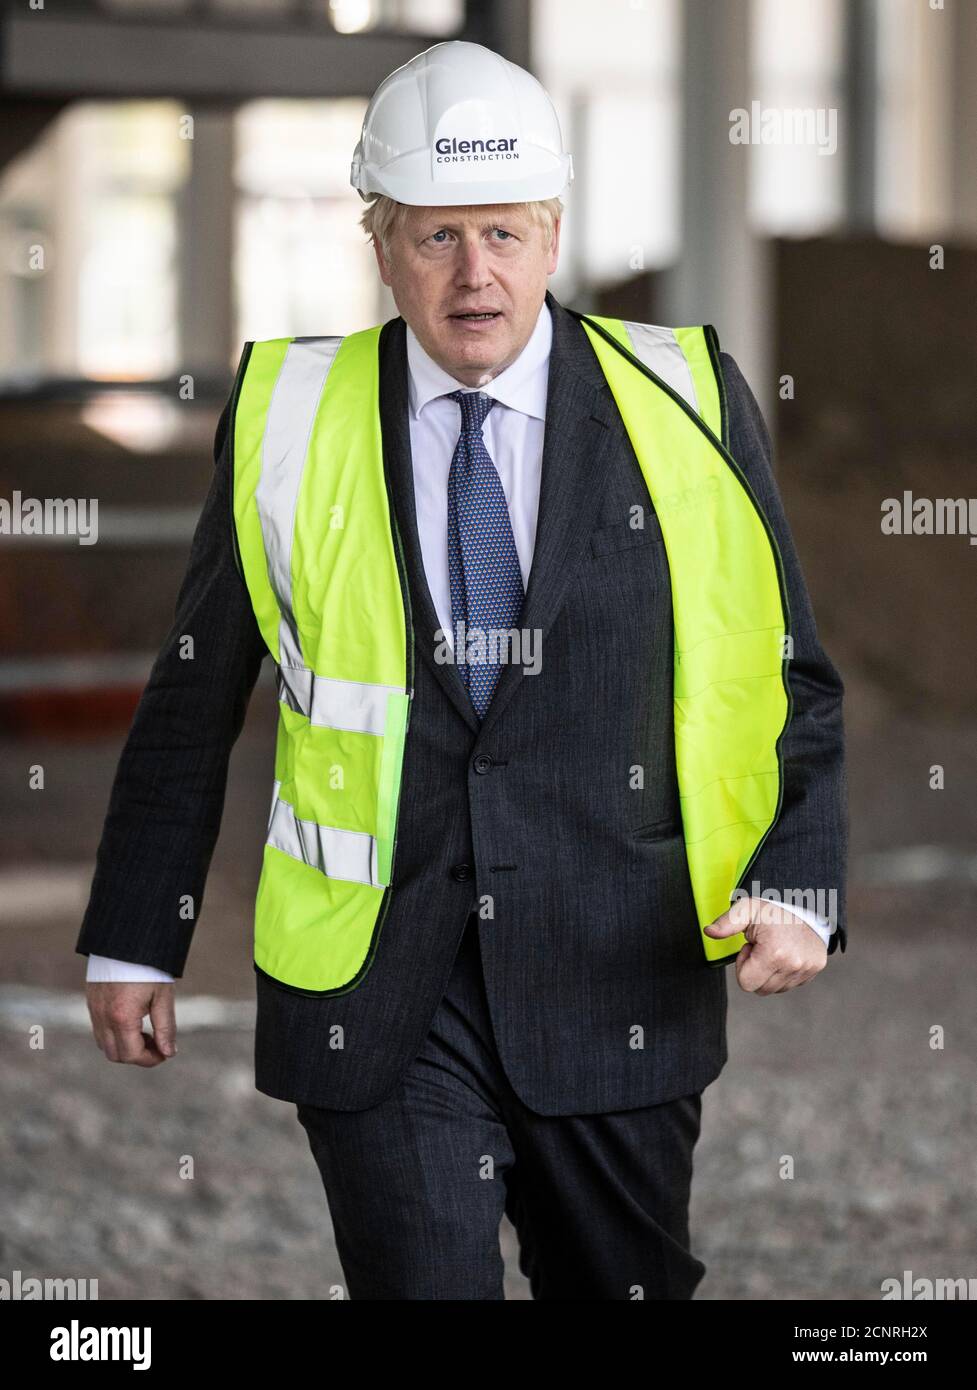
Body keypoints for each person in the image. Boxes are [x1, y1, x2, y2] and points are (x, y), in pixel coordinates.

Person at [78, 39, 847, 1300]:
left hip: (617, 970)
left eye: (500, 231)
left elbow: (788, 674)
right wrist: (133, 938)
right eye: (435, 236)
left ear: (552, 237)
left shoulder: (686, 398)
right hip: (383, 988)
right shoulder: (288, 416)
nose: (473, 272)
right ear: (380, 247)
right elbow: (192, 693)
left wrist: (797, 884)